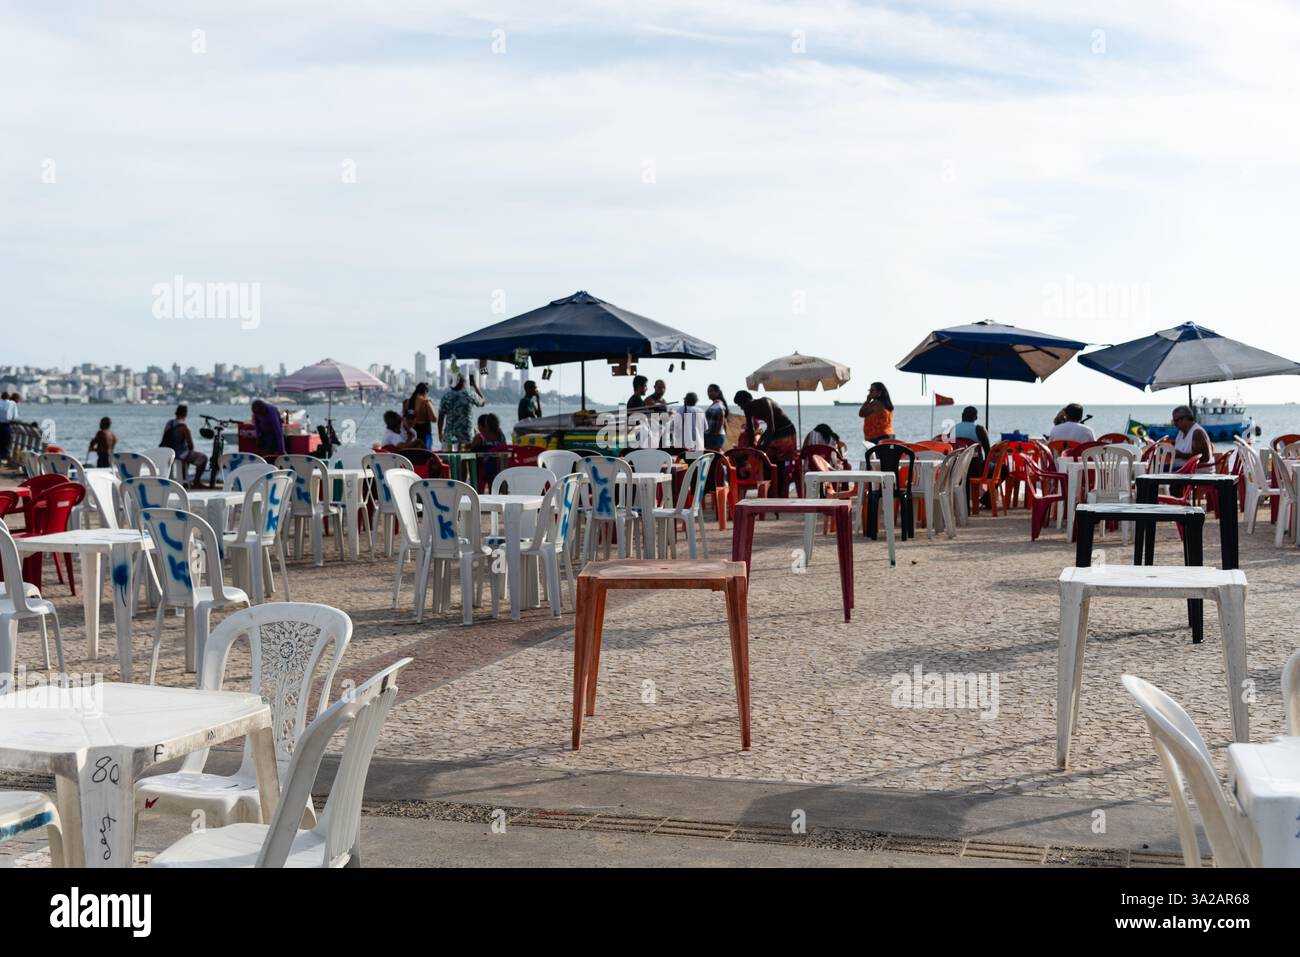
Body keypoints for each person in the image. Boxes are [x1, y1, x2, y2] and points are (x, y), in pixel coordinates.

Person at [734, 390, 797, 463]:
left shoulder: (764, 403)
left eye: (741, 405)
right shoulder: (747, 409)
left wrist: (762, 449)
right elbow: (751, 429)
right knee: (765, 457)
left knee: (777, 459)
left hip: (786, 431)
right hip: (774, 431)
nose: (741, 408)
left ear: (748, 401)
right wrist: (751, 447)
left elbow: (771, 428)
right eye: (739, 406)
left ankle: (780, 473)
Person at [161, 404, 207, 487]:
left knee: (186, 457)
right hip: (179, 453)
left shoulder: (169, 423)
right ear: (185, 415)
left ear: (176, 413)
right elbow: (190, 444)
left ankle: (184, 479)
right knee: (203, 458)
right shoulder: (184, 427)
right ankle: (196, 481)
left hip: (167, 453)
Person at [437, 372, 485, 450]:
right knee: (466, 458)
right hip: (466, 435)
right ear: (463, 383)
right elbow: (482, 402)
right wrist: (475, 386)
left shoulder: (446, 397)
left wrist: (439, 433)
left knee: (448, 458)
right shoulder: (469, 395)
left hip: (449, 436)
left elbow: (441, 417)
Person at [1171, 405, 1213, 470]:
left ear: (1186, 418)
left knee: (1158, 471)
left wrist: (1181, 455)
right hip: (1182, 470)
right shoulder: (1181, 432)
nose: (1174, 423)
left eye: (1176, 420)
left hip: (1194, 472)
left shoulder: (1197, 432)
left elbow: (1204, 458)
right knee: (1157, 468)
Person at [410, 383, 437, 448]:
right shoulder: (426, 402)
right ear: (425, 391)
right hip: (425, 430)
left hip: (412, 430)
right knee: (427, 451)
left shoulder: (408, 401)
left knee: (414, 450)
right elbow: (434, 419)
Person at [0, 391, 17, 464]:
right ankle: (3, 459)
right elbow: (15, 416)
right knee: (6, 443)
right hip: (6, 426)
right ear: (8, 397)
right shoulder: (12, 403)